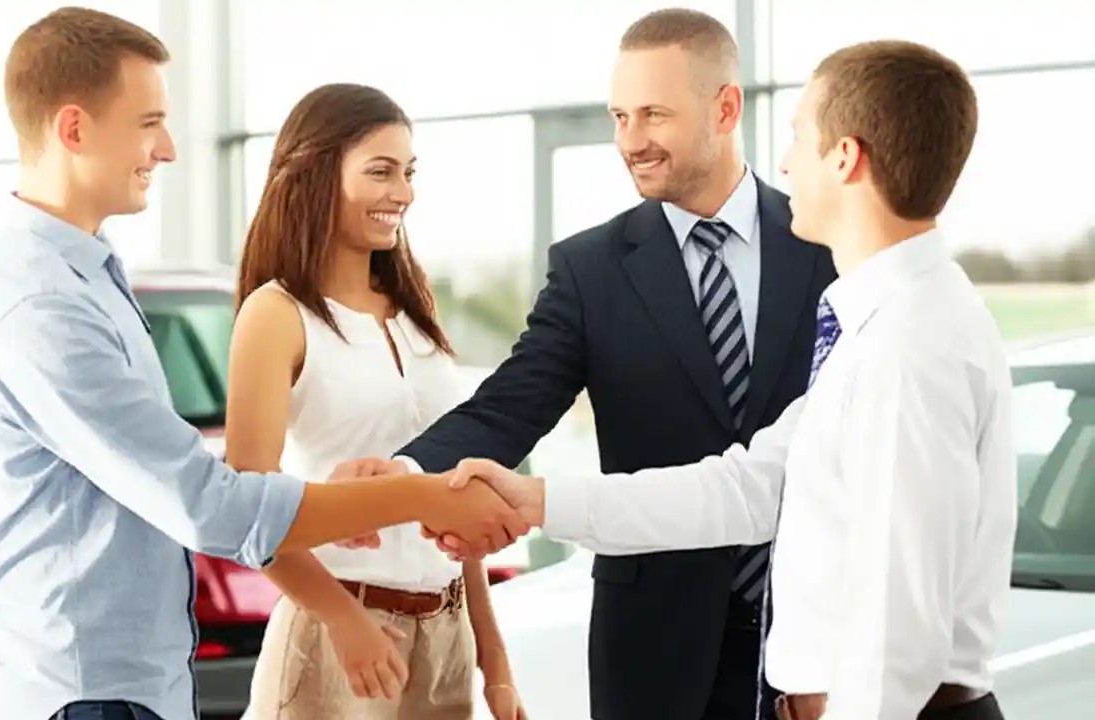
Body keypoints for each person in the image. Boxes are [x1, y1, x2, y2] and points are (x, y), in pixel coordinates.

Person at [0, 9, 525, 720]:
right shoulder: (42, 308)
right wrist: (416, 494)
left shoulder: (88, 277)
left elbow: (169, 470)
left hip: (133, 686)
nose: (167, 149)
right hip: (91, 697)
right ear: (74, 129)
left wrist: (349, 495)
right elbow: (212, 504)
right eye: (149, 121)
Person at [439, 38, 1014, 720]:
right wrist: (534, 500)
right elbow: (744, 487)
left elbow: (900, 633)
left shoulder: (911, 346)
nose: (784, 159)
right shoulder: (883, 327)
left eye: (801, 135)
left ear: (845, 158)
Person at [367, 9, 835, 719]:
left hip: (809, 639)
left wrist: (826, 645)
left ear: (726, 107)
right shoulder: (590, 270)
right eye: (620, 116)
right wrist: (401, 478)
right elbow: (510, 405)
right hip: (652, 647)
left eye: (652, 115)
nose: (630, 142)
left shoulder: (824, 249)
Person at [227, 83, 525, 720]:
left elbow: (450, 497)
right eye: (381, 172)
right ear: (314, 174)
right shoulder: (276, 315)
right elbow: (246, 505)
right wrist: (341, 619)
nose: (403, 193)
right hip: (340, 635)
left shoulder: (415, 314)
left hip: (445, 634)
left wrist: (492, 661)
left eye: (409, 173)